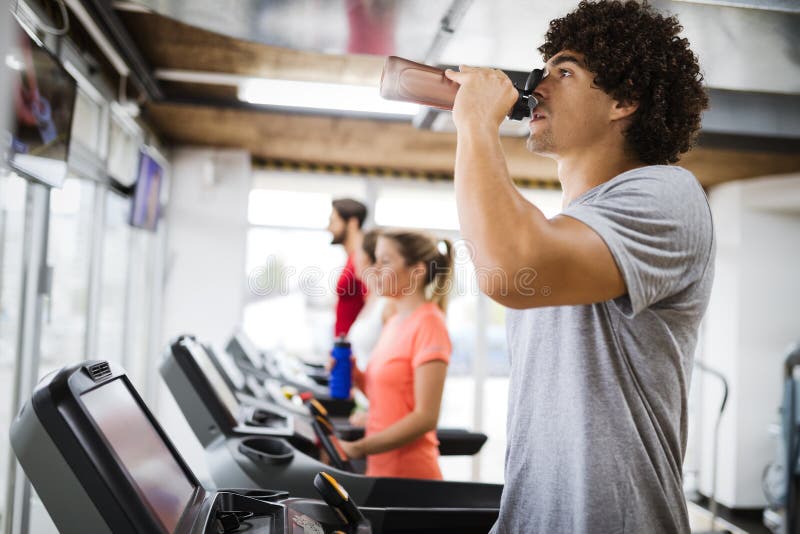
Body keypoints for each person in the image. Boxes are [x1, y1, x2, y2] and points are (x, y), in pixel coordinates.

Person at [444, 1, 714, 532]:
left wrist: (476, 124)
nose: (536, 87)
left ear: (625, 99)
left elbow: (507, 268)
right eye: (543, 71)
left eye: (564, 71)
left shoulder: (668, 193)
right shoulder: (563, 228)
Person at [337, 230, 454, 480]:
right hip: (379, 471)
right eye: (375, 260)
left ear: (417, 271)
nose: (374, 269)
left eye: (385, 262)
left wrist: (358, 448)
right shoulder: (394, 322)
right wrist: (355, 374)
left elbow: (425, 417)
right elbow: (388, 398)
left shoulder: (430, 325)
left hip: (410, 476)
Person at [327, 198, 368, 337]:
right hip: (344, 348)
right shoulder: (351, 258)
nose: (328, 228)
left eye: (333, 222)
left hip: (353, 351)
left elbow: (372, 308)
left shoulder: (363, 260)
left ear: (352, 223)